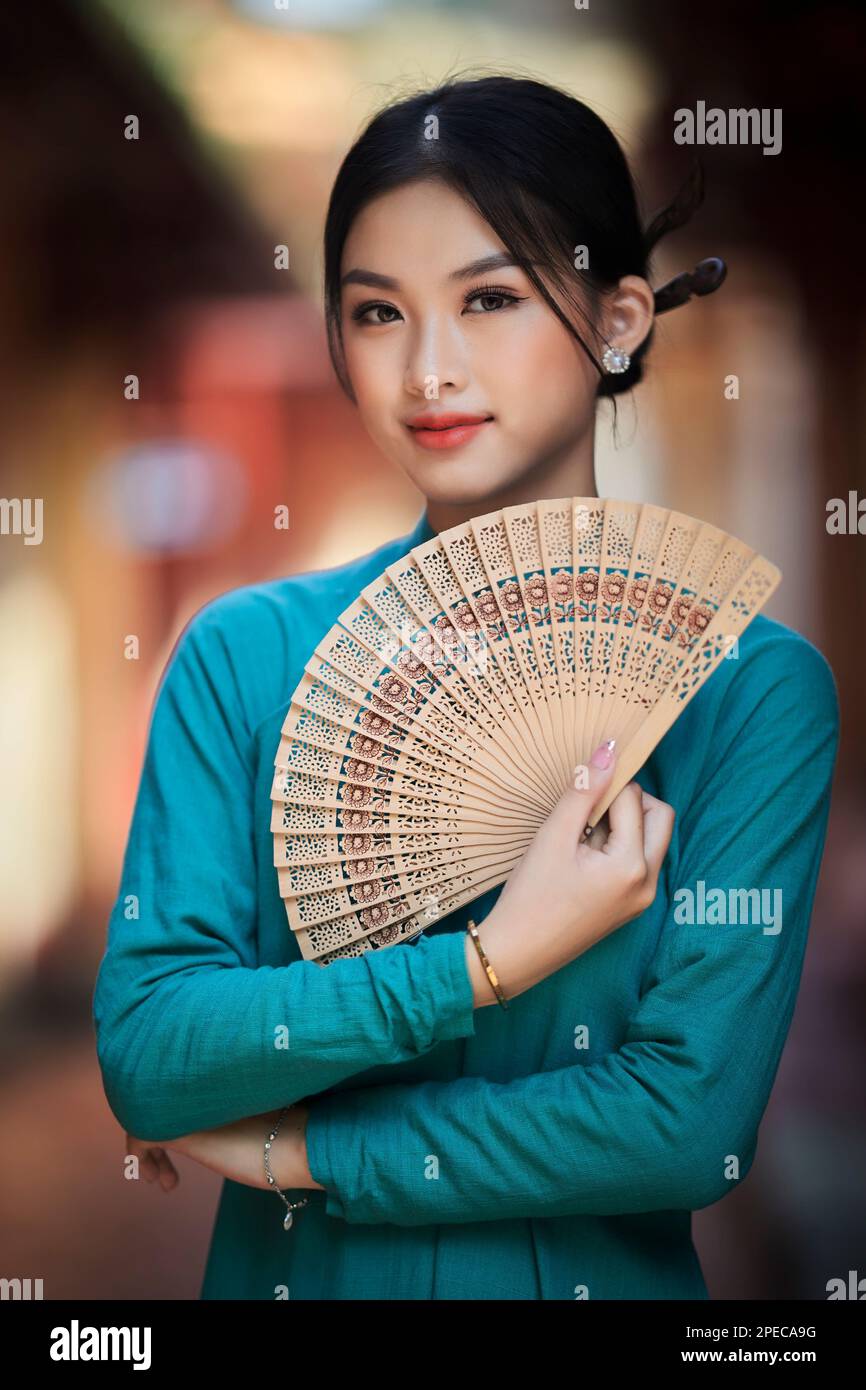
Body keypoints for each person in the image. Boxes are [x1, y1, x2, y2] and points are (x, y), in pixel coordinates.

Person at [92, 74, 840, 1300]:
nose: (428, 368)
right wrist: (479, 966)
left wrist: (301, 1150)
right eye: (377, 313)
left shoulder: (746, 691)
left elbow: (682, 1124)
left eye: (488, 298)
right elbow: (152, 1052)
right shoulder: (244, 656)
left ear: (619, 319)